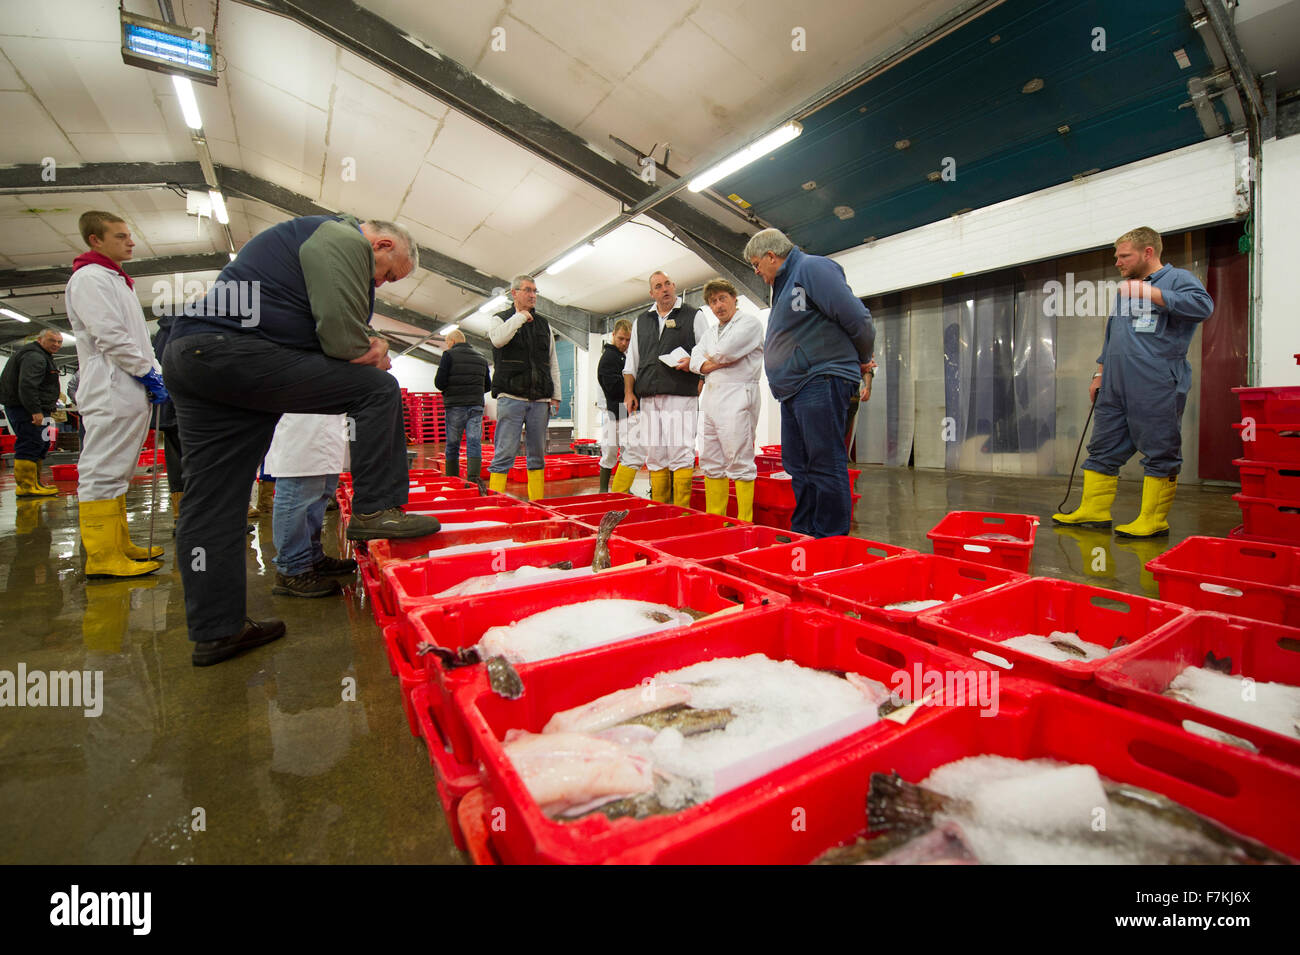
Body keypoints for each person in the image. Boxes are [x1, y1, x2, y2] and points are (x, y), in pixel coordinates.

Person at [163, 213, 437, 667]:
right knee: (378, 390)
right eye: (388, 274)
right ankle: (376, 510)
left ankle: (218, 630)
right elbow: (340, 337)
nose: (383, 284)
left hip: (196, 358)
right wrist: (377, 350)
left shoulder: (299, 251)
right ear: (383, 245)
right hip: (231, 352)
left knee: (213, 501)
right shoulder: (342, 237)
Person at [1053, 226, 1214, 538]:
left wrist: (1150, 293)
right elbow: (1115, 333)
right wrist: (1100, 372)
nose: (1118, 262)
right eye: (1117, 256)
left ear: (1148, 252)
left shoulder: (1177, 279)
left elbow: (1203, 307)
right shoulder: (1129, 287)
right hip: (1115, 382)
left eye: (1124, 256)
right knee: (1102, 445)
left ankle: (1153, 520)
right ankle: (1094, 510)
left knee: (1160, 448)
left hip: (1156, 382)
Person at [745, 228, 874, 538]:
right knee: (799, 466)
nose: (757, 272)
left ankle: (830, 540)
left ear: (771, 256)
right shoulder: (785, 284)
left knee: (824, 463)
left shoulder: (812, 268)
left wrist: (864, 358)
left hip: (820, 379)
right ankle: (805, 532)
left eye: (756, 265)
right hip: (795, 389)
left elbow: (857, 318)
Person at [65, 212, 167, 578]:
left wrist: (154, 372)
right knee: (102, 469)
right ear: (95, 239)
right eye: (121, 236)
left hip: (128, 385)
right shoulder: (89, 279)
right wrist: (145, 372)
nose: (131, 242)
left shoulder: (117, 280)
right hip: (110, 386)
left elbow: (138, 339)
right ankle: (102, 557)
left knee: (119, 469)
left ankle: (118, 543)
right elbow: (109, 336)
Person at [610, 271, 709, 506]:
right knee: (655, 454)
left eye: (667, 284)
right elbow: (631, 362)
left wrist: (700, 379)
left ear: (674, 286)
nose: (664, 289)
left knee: (681, 451)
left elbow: (706, 351)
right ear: (651, 293)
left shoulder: (694, 315)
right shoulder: (641, 321)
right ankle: (660, 509)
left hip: (681, 394)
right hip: (649, 396)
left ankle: (682, 510)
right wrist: (629, 392)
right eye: (658, 286)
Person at [684, 280, 763, 521]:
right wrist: (706, 363)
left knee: (739, 459)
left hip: (738, 395)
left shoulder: (750, 323)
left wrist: (705, 362)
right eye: (713, 301)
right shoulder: (709, 332)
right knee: (710, 459)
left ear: (733, 298)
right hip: (711, 398)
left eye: (722, 298)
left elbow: (726, 351)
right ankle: (716, 519)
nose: (718, 305)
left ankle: (744, 521)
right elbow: (697, 357)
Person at [486, 275, 560, 500]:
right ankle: (495, 504)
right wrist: (519, 318)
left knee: (537, 455)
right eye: (528, 290)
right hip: (511, 398)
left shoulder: (543, 325)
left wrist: (555, 394)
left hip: (540, 400)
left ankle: (536, 504)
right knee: (504, 453)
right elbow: (498, 340)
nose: (533, 295)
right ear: (514, 293)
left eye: (535, 291)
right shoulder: (499, 320)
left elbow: (552, 360)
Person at [265, 413, 356, 597]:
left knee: (321, 492)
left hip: (328, 422)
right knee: (297, 493)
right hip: (302, 419)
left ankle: (312, 557)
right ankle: (291, 569)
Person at [1, 328, 63, 497]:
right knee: (30, 443)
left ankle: (35, 482)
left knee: (41, 443)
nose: (56, 345)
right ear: (40, 339)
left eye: (59, 342)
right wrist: (35, 411)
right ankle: (26, 486)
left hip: (39, 409)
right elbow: (27, 385)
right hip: (27, 410)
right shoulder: (34, 357)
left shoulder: (41, 355)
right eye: (52, 340)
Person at [434, 328, 491, 492]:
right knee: (474, 442)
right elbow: (487, 385)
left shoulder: (448, 355)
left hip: (455, 405)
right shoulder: (481, 357)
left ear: (451, 341)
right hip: (476, 405)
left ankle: (452, 478)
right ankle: (473, 479)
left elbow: (439, 382)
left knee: (453, 443)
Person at [595, 319, 632, 492]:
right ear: (613, 336)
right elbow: (613, 388)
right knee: (610, 450)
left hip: (625, 411)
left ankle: (623, 488)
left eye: (627, 340)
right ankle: (603, 489)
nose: (624, 343)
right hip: (612, 411)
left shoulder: (624, 357)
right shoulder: (609, 358)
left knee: (627, 450)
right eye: (621, 339)